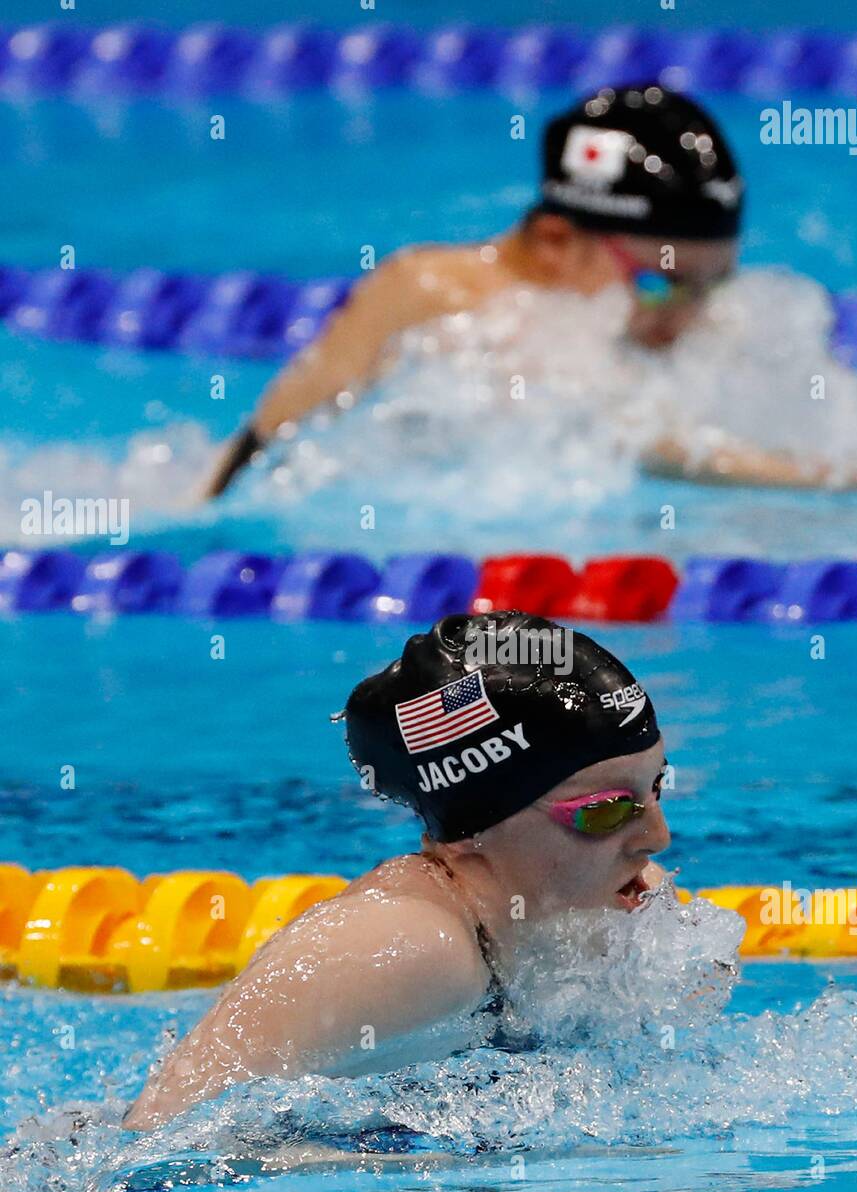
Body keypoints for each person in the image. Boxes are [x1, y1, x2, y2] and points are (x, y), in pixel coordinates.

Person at [122, 612, 671, 1131]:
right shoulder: (406, 944)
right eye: (606, 810)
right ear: (478, 827)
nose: (657, 838)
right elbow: (154, 1149)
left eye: (656, 789)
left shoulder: (595, 910)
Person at [202, 84, 742, 498]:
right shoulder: (436, 292)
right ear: (555, 241)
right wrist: (816, 480)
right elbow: (274, 442)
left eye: (711, 285)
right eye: (661, 284)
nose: (689, 316)